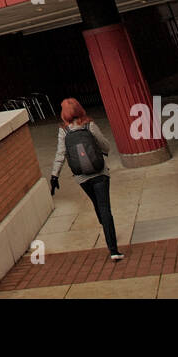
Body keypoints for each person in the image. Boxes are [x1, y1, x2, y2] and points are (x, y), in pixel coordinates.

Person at [50, 97, 124, 260]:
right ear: (79, 109)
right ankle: (113, 250)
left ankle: (107, 231)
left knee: (97, 204)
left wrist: (54, 176)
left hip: (82, 178)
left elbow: (60, 154)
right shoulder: (89, 125)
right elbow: (106, 146)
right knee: (105, 209)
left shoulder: (63, 131)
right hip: (100, 174)